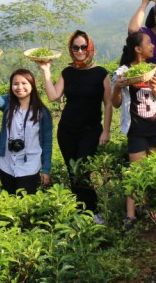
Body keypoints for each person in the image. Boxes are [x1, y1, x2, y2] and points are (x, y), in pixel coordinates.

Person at [39, 31, 112, 213]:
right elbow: (53, 96)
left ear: (90, 48)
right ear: (71, 50)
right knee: (73, 174)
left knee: (82, 172)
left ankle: (93, 211)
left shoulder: (101, 73)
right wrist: (46, 71)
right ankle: (81, 213)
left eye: (83, 47)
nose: (80, 51)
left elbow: (109, 103)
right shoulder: (67, 72)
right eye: (75, 47)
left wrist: (106, 131)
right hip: (67, 132)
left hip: (91, 130)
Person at [111, 32, 156, 227]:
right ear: (137, 49)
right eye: (149, 43)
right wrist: (118, 87)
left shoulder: (155, 71)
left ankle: (149, 209)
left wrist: (155, 88)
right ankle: (130, 216)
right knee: (135, 173)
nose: (153, 46)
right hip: (136, 129)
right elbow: (116, 103)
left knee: (151, 171)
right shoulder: (122, 73)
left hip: (155, 126)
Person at [0, 64, 52, 195]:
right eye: (15, 84)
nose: (20, 87)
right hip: (6, 164)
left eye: (24, 83)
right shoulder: (7, 104)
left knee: (27, 203)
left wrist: (46, 169)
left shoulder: (42, 112)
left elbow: (47, 142)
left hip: (30, 165)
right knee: (9, 200)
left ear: (32, 85)